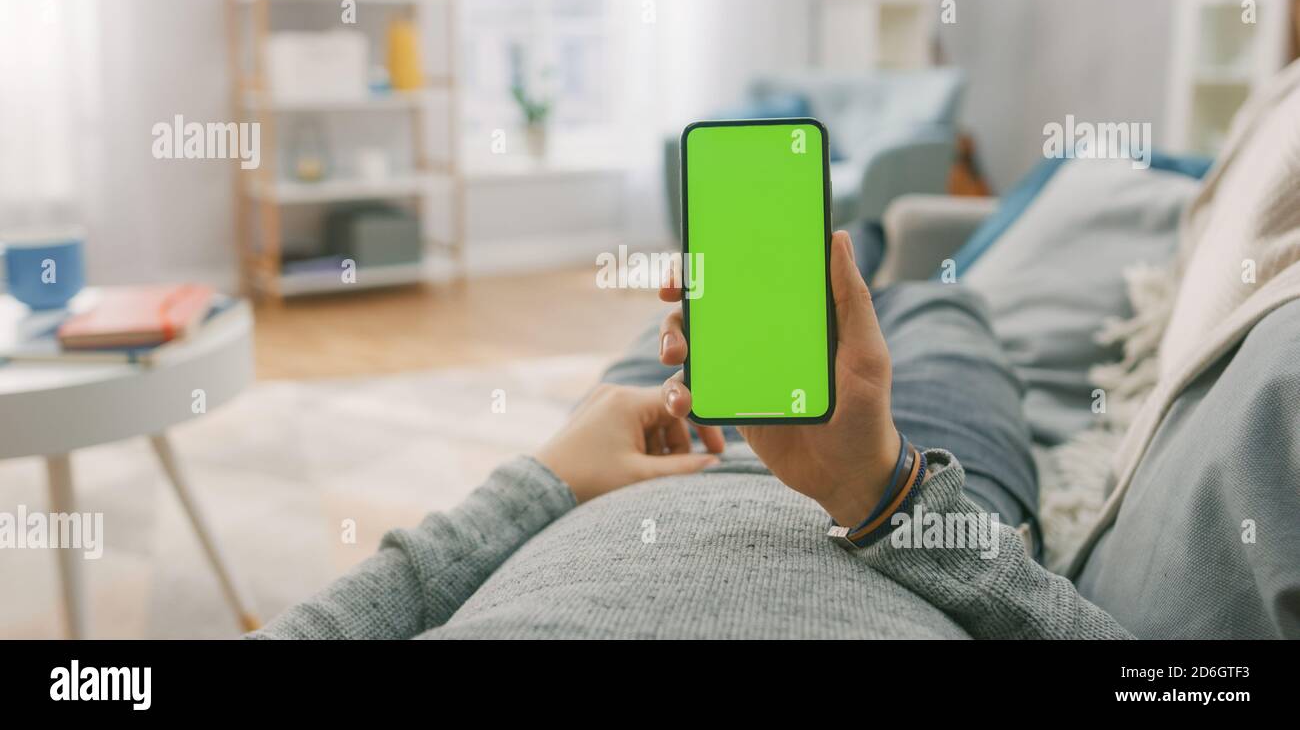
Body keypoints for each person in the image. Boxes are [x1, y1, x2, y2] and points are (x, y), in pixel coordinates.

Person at [251, 230, 1130, 639]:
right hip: (910, 492)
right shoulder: (897, 490)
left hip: (631, 464)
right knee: (941, 300)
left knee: (684, 328)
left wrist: (546, 477)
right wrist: (888, 495)